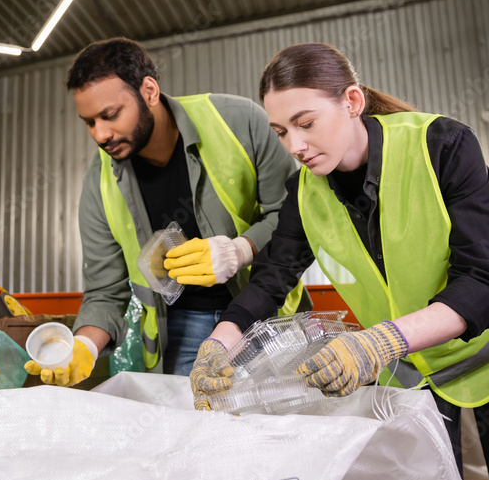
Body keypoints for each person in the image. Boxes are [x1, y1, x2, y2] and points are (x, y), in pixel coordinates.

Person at [190, 43, 489, 480]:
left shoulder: (440, 143)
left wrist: (377, 344)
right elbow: (271, 278)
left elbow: (485, 281)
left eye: (306, 122)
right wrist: (219, 344)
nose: (296, 144)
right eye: (282, 132)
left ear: (352, 101)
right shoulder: (305, 191)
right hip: (418, 363)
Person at [32, 37, 306, 388]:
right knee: (193, 431)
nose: (100, 134)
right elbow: (105, 291)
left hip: (265, 311)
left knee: (279, 426)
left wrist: (242, 249)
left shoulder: (238, 123)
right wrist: (83, 345)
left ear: (149, 90)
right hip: (179, 326)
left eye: (110, 115)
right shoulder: (98, 184)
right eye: (89, 122)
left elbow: (294, 215)